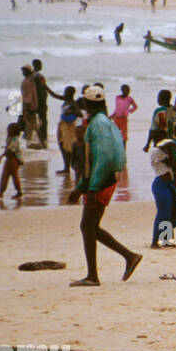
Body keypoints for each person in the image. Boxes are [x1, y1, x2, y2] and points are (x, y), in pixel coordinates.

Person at [67, 85, 142, 286]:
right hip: (105, 179)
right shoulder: (105, 122)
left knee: (87, 226)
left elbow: (102, 158)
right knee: (90, 227)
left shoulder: (97, 125)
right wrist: (82, 187)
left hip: (101, 182)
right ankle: (129, 257)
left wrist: (90, 188)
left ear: (88, 105)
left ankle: (93, 276)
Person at [149, 138, 176, 248]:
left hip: (167, 184)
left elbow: (174, 164)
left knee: (168, 213)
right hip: (161, 185)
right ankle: (155, 241)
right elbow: (173, 164)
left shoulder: (162, 153)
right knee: (163, 213)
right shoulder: (157, 153)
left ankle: (166, 241)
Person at [0, 122, 24, 199]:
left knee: (14, 176)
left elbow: (11, 150)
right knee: (5, 176)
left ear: (13, 131)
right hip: (10, 159)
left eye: (9, 129)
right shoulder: (11, 138)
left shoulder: (14, 139)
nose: (7, 130)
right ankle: (1, 192)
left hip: (13, 159)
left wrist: (1, 157)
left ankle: (19, 192)